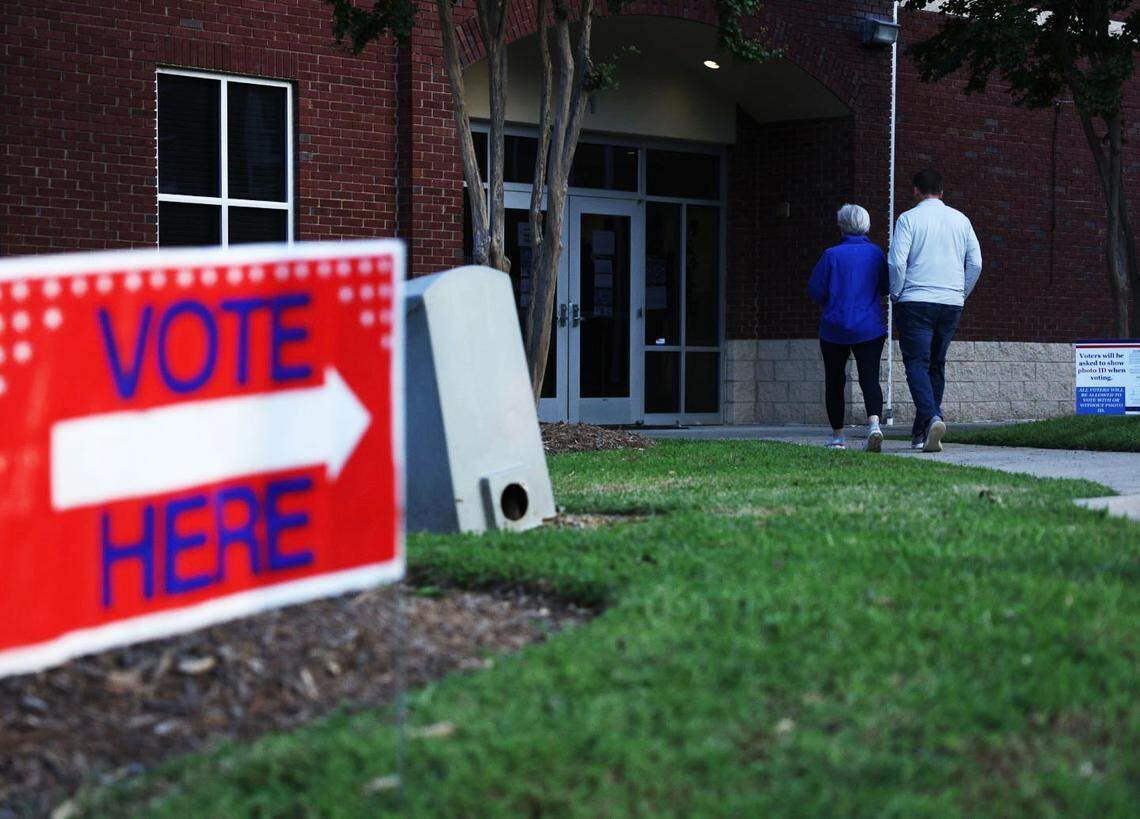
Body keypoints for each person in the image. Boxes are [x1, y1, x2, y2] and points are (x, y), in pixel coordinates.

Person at [889, 169, 983, 453]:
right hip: (951, 301)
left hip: (916, 299)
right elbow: (976, 263)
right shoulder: (961, 220)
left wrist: (896, 292)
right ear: (942, 192)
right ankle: (921, 434)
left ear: (916, 191)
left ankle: (932, 417)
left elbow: (896, 263)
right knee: (936, 364)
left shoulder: (908, 219)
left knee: (917, 363)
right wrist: (961, 293)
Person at [808, 204, 889, 452]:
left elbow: (816, 291)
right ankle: (874, 425)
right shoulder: (876, 254)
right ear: (866, 225)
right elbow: (886, 287)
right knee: (869, 378)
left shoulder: (831, 255)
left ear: (841, 225)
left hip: (834, 327)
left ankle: (837, 436)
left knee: (835, 380)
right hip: (869, 327)